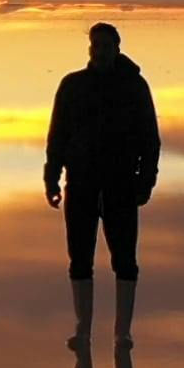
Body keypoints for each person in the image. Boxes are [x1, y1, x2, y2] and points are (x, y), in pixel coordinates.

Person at [43, 21, 162, 290]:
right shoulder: (73, 85)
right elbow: (58, 136)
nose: (100, 51)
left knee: (125, 262)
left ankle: (125, 320)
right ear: (90, 49)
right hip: (80, 183)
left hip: (121, 185)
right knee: (79, 261)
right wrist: (51, 179)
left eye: (106, 46)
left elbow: (149, 140)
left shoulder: (134, 86)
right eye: (96, 45)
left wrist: (145, 183)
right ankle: (81, 318)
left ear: (117, 48)